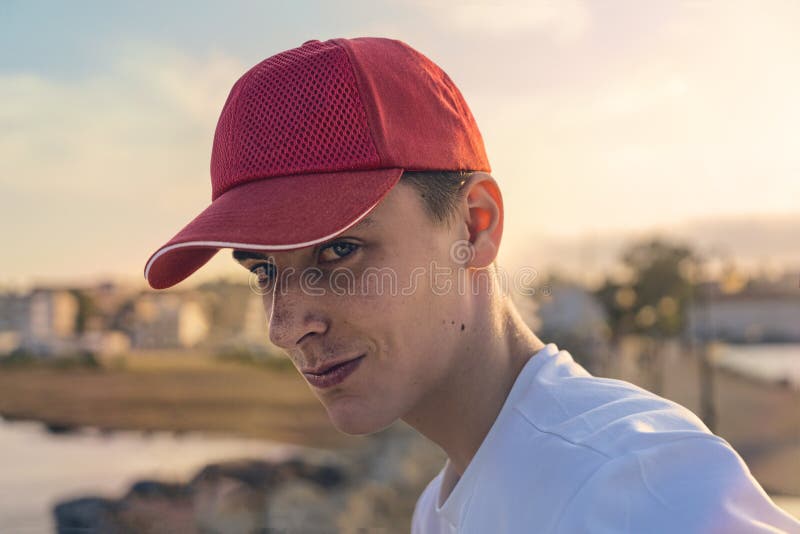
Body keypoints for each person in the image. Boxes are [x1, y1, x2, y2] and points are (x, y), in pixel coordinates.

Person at [144, 37, 800, 533]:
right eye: (264, 270)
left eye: (340, 250)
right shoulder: (443, 504)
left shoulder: (635, 489)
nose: (285, 326)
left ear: (476, 228)